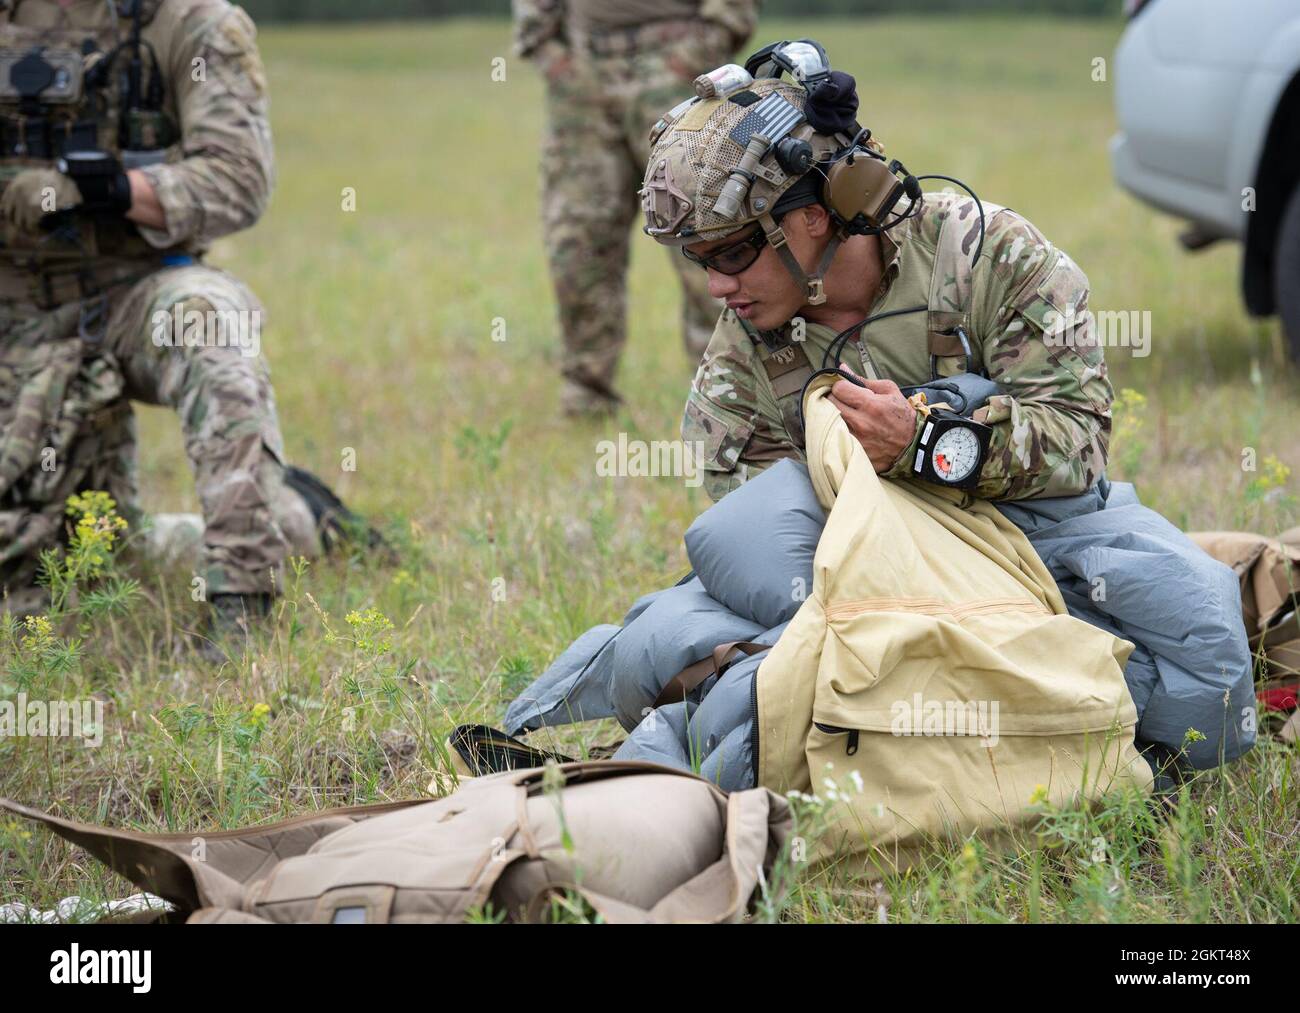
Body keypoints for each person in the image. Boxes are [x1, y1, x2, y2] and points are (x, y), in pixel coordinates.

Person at [0, 0, 354, 643]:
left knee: (209, 321)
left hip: (130, 295)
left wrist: (105, 189)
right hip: (11, 309)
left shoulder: (187, 24)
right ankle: (288, 521)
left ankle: (244, 602)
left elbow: (238, 177)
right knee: (78, 557)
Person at [639, 40, 1113, 504]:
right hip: (863, 571)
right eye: (699, 259)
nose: (717, 286)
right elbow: (760, 527)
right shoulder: (739, 357)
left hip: (1035, 542)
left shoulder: (989, 255)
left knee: (1153, 579)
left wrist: (924, 445)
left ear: (813, 218)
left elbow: (1080, 437)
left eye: (732, 254)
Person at [512, 0, 759, 415]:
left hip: (679, 66)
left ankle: (728, 397)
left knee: (710, 234)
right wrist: (549, 53)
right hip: (582, 73)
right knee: (577, 242)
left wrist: (706, 44)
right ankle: (586, 397)